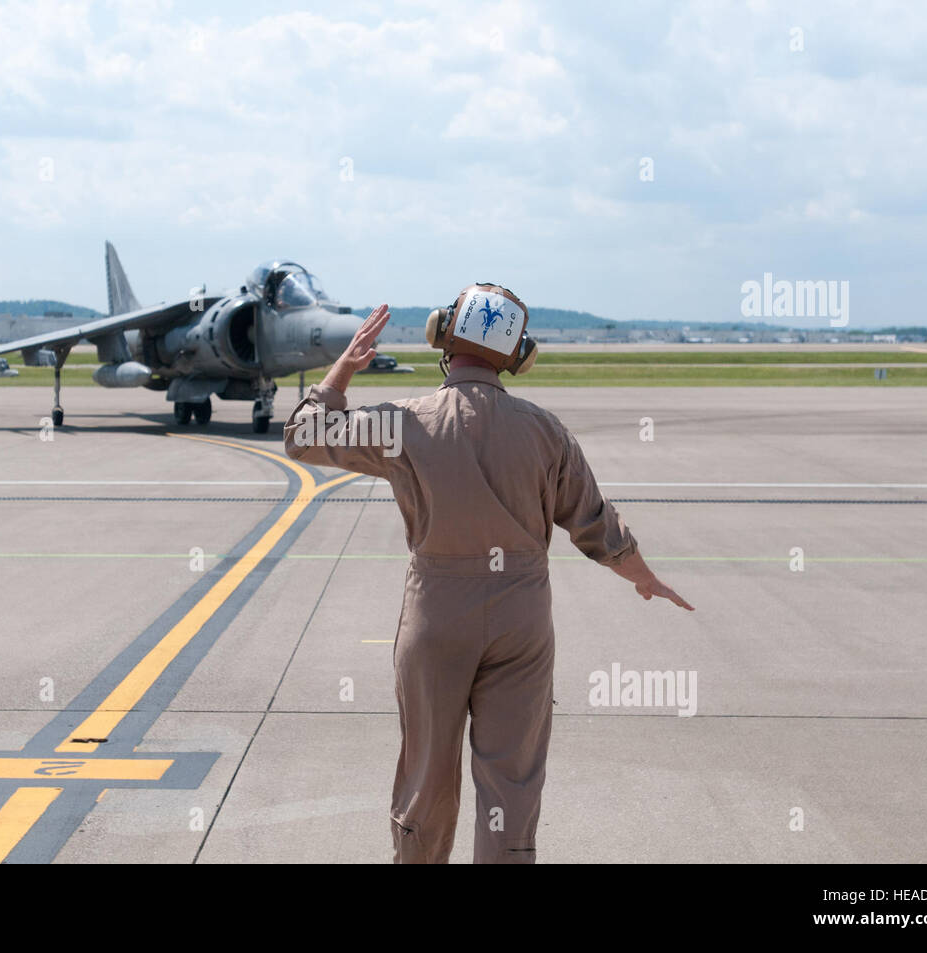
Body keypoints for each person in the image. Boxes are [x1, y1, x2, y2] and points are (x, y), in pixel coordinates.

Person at [283, 288, 694, 864]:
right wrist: (645, 578)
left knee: (428, 772)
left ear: (443, 337)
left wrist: (341, 374)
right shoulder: (546, 431)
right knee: (512, 780)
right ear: (516, 355)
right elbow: (597, 525)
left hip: (436, 614)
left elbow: (304, 438)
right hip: (521, 621)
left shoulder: (404, 422)